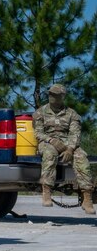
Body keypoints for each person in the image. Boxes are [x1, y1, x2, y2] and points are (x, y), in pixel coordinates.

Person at [33, 84, 94, 214]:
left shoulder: (72, 114)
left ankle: (87, 196)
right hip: (47, 141)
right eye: (50, 94)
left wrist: (70, 150)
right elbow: (38, 133)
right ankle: (47, 191)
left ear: (62, 97)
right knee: (49, 154)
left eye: (55, 95)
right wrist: (51, 140)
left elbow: (75, 134)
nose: (52, 97)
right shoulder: (40, 112)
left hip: (68, 142)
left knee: (81, 157)